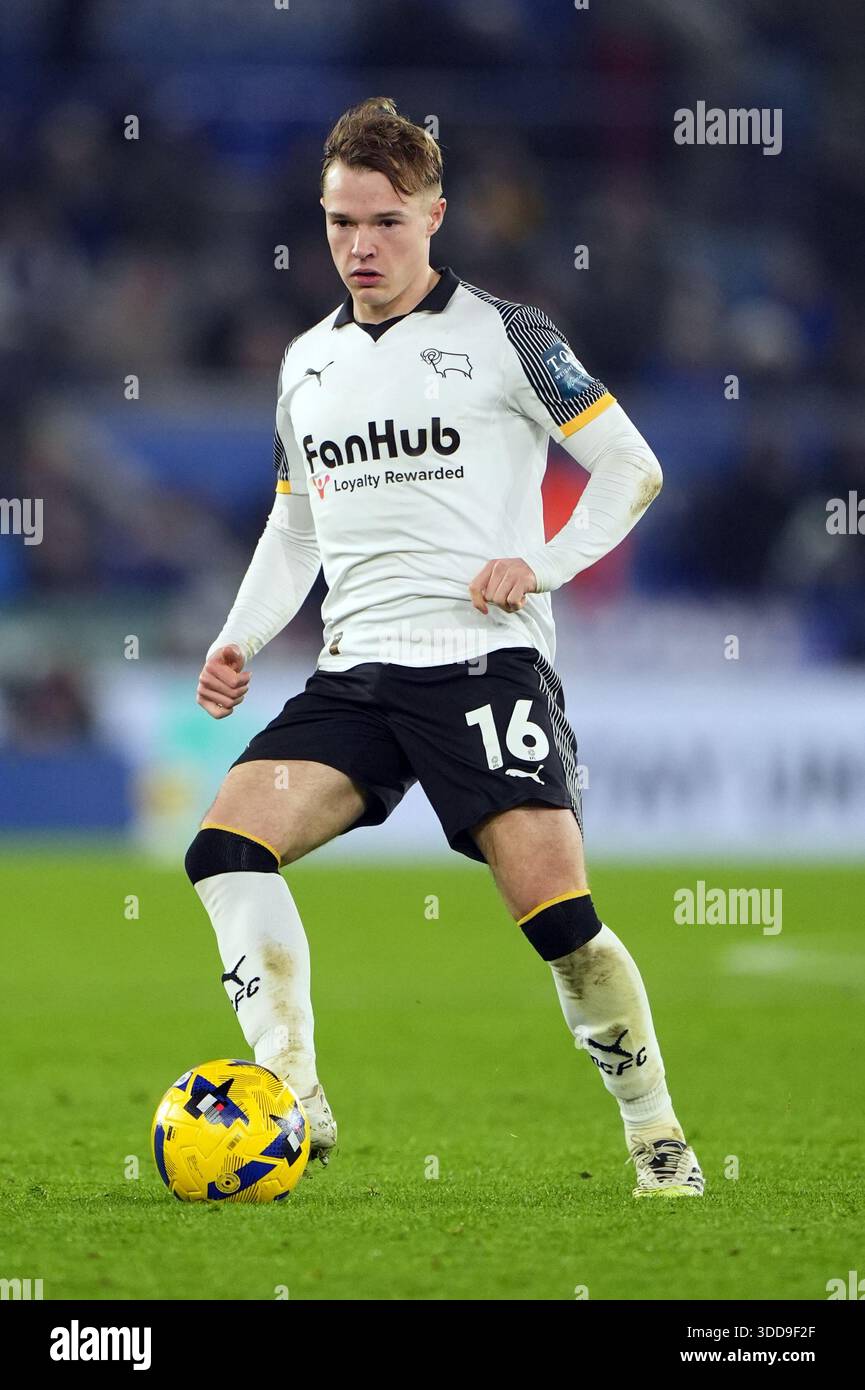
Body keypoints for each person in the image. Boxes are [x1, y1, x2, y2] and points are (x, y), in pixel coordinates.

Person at [184, 98, 703, 1198]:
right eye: (337, 224)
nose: (359, 247)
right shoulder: (305, 363)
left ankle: (655, 1132)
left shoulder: (511, 335)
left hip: (480, 662)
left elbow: (631, 465)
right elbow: (296, 522)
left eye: (382, 222)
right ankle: (290, 1090)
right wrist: (239, 638)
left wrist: (544, 563)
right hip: (355, 674)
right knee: (224, 850)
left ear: (434, 215)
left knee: (561, 924)